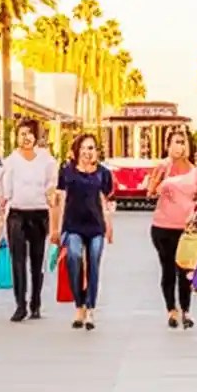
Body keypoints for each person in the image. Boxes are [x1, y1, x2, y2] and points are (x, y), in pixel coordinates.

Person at [146, 127, 197, 329]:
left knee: (185, 271)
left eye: (183, 142)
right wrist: (159, 178)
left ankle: (186, 310)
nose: (179, 147)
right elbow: (150, 193)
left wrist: (195, 211)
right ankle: (171, 310)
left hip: (186, 229)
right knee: (167, 270)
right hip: (162, 226)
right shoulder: (162, 167)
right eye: (175, 142)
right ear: (168, 145)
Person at [52, 134, 114, 330]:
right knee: (74, 257)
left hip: (96, 225)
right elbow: (60, 200)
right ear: (77, 150)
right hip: (73, 225)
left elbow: (106, 202)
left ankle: (90, 308)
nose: (88, 152)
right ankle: (78, 304)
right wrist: (56, 228)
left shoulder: (103, 173)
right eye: (85, 148)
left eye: (92, 148)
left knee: (94, 263)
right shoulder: (67, 172)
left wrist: (109, 225)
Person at [0, 118, 58, 322]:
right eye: (22, 133)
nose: (26, 138)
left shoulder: (46, 160)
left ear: (36, 136)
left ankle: (36, 302)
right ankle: (20, 304)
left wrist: (51, 197)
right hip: (17, 214)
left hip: (39, 213)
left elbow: (51, 184)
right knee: (18, 260)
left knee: (37, 260)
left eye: (30, 133)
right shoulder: (10, 161)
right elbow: (4, 190)